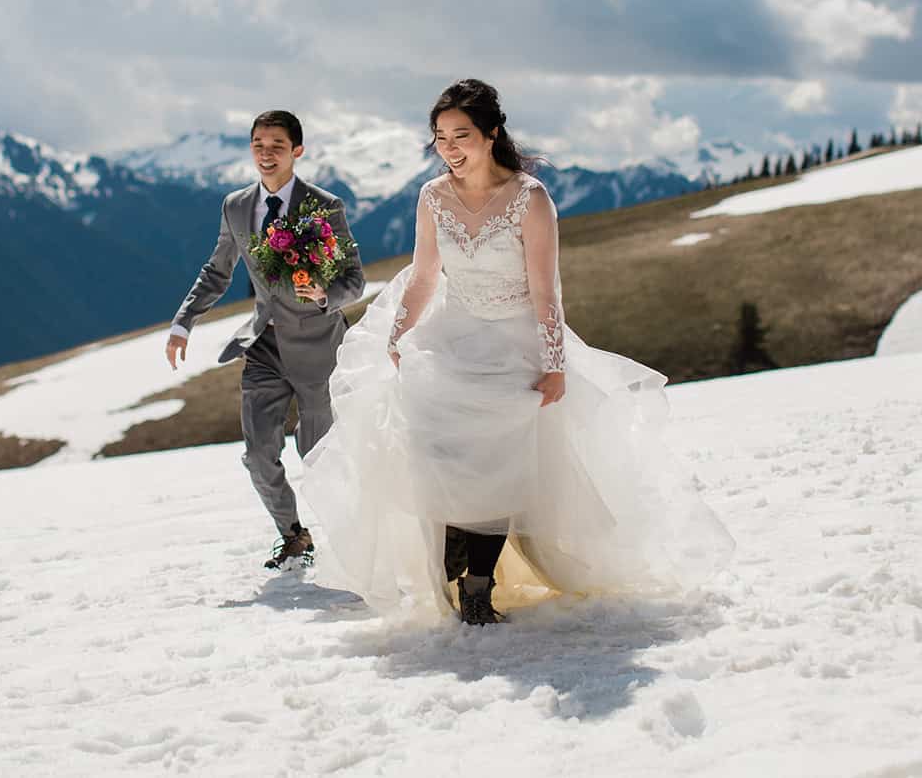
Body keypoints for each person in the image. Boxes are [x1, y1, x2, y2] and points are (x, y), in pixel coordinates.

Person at [300, 80, 733, 625]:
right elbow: (424, 276)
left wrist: (554, 364)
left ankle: (478, 587)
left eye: (461, 135)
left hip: (515, 344)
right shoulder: (432, 197)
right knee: (436, 451)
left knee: (497, 464)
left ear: (491, 133)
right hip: (448, 339)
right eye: (439, 137)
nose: (449, 148)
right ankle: (449, 563)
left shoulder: (531, 198)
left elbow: (545, 291)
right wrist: (398, 335)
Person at [167, 110, 367, 570]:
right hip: (262, 346)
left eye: (276, 144)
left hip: (320, 349)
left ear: (297, 150)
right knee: (258, 455)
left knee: (318, 455)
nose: (266, 153)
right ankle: (293, 536)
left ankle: (352, 540)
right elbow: (218, 271)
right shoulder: (236, 206)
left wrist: (323, 295)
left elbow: (354, 280)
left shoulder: (326, 206)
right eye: (258, 144)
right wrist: (183, 323)